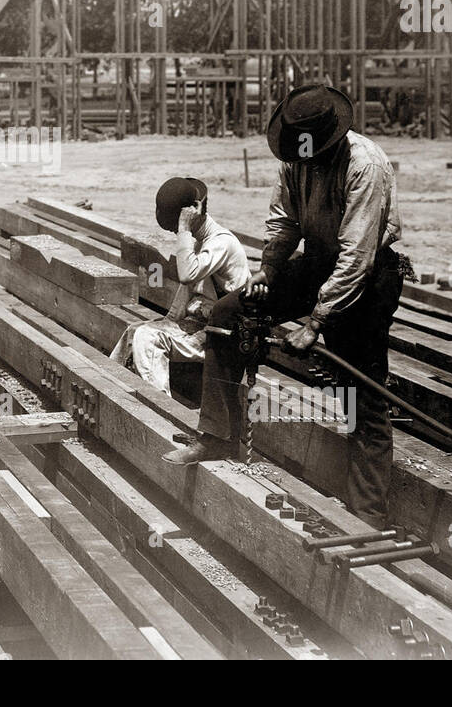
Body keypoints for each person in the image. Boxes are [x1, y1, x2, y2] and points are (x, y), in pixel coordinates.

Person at [164, 85, 407, 530]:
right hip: (316, 261)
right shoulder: (296, 157)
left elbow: (356, 256)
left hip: (368, 276)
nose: (303, 163)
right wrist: (270, 270)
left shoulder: (365, 165)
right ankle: (216, 436)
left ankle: (368, 515)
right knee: (227, 315)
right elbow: (284, 221)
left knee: (361, 388)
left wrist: (316, 321)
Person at [109, 177, 250, 394]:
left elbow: (187, 275)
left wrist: (184, 228)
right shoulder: (199, 241)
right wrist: (169, 323)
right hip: (202, 325)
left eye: (176, 227)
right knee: (134, 331)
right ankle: (114, 390)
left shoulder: (221, 242)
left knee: (149, 339)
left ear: (195, 210)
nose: (177, 233)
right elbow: (186, 293)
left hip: (224, 335)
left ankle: (157, 407)